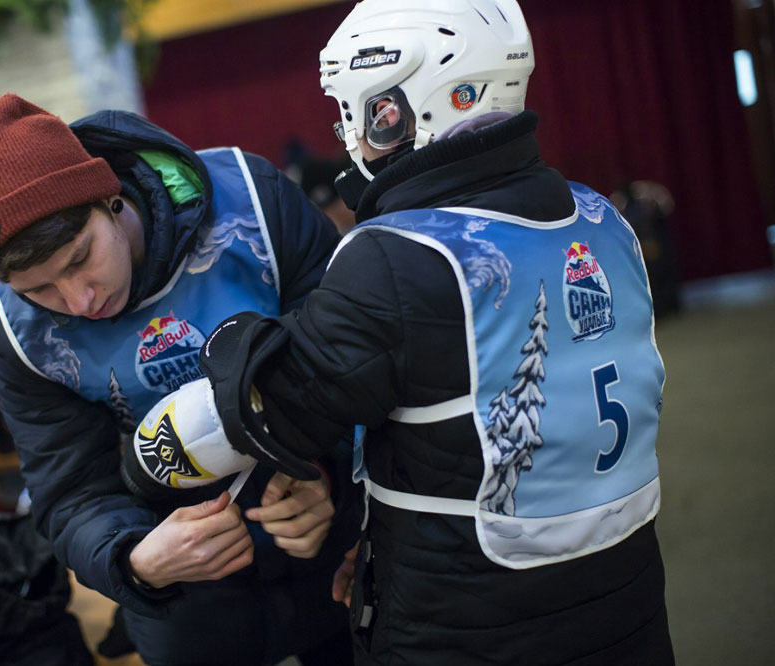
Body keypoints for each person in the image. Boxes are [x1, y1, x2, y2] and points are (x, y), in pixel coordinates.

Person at [123, 1, 675, 664]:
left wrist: (143, 458)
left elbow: (259, 413)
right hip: (628, 599)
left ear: (413, 106)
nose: (355, 137)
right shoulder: (602, 219)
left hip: (473, 624)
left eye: (367, 111)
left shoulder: (396, 255)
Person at [0, 94, 361, 666]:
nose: (79, 300)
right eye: (39, 290)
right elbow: (70, 490)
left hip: (331, 555)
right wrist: (134, 560)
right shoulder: (13, 329)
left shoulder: (251, 203)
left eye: (78, 257)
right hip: (186, 600)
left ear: (109, 197)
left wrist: (332, 479)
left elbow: (355, 361)